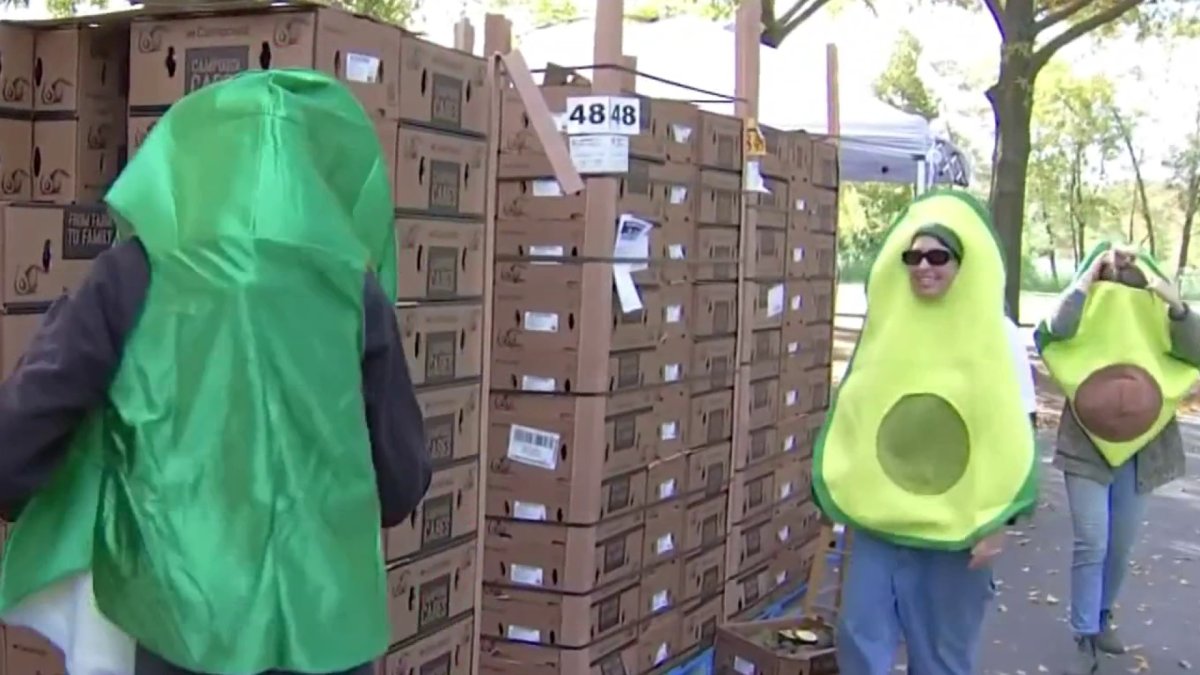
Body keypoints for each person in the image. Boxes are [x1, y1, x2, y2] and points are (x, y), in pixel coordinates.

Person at [0, 70, 431, 675]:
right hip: (324, 624)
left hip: (178, 617)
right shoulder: (355, 289)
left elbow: (25, 425)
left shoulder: (133, 272)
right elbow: (402, 480)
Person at [813, 190, 1038, 675]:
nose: (923, 266)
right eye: (912, 256)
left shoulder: (996, 336)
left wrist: (998, 520)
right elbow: (859, 411)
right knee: (860, 636)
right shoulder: (888, 331)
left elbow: (1014, 432)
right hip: (882, 522)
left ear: (964, 263)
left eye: (939, 256)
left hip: (957, 530)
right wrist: (842, 489)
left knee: (940, 655)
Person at [1036, 244, 1200, 675]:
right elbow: (1052, 331)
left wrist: (1177, 305)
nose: (1122, 273)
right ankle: (1085, 631)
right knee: (1092, 539)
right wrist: (1088, 279)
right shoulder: (1085, 303)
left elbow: (1195, 353)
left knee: (1119, 545)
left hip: (1143, 447)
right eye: (1114, 270)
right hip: (1087, 443)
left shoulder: (1159, 309)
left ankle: (1103, 613)